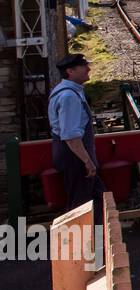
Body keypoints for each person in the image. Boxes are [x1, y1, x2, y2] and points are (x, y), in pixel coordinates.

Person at [48, 53, 107, 247]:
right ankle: (80, 251)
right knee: (80, 204)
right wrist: (87, 161)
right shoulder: (68, 97)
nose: (88, 69)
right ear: (70, 71)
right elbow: (71, 135)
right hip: (75, 157)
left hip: (75, 155)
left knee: (99, 197)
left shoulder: (70, 91)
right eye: (83, 66)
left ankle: (98, 245)